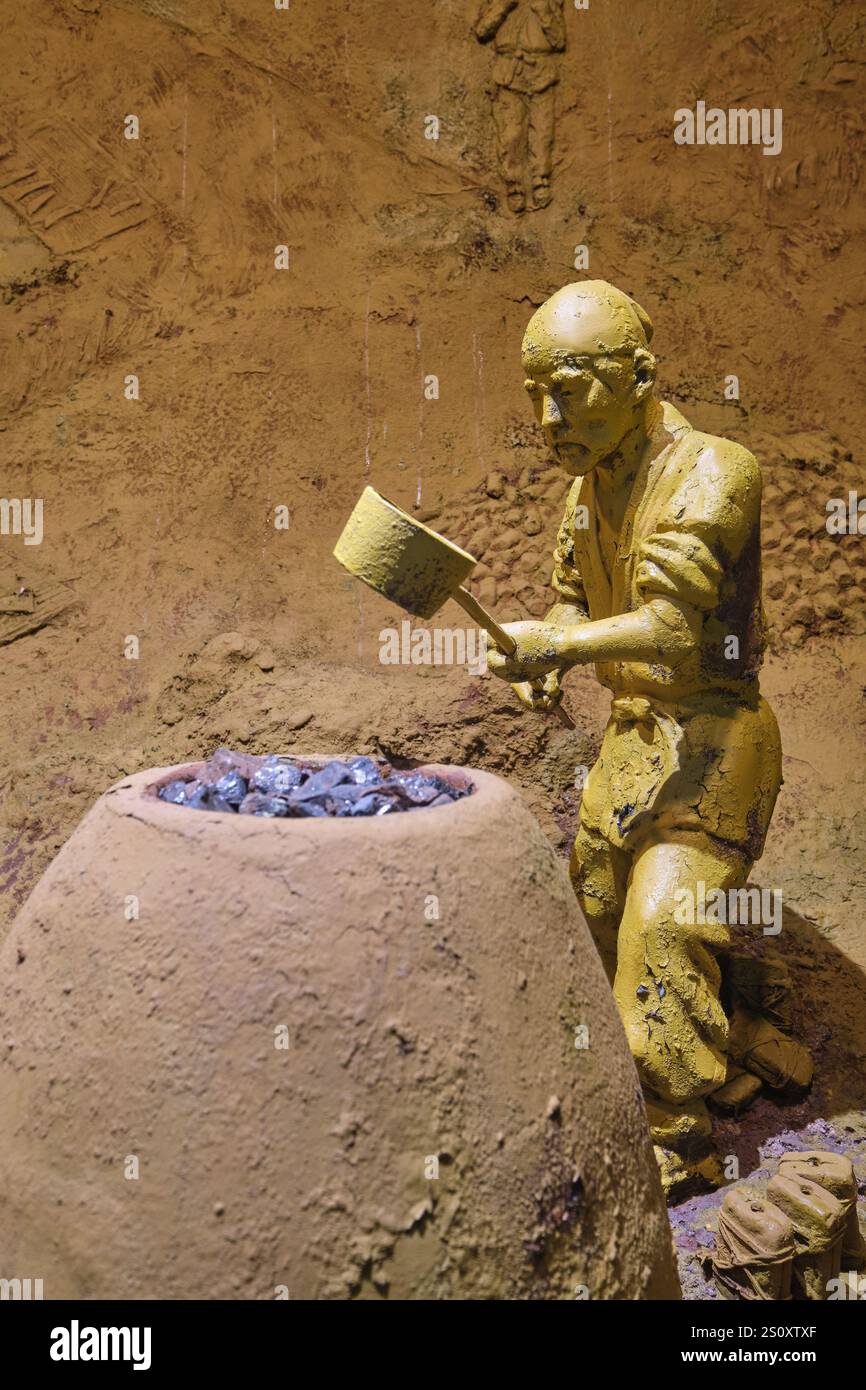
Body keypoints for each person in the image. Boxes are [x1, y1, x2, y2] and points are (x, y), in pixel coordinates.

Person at [487, 280, 811, 1181]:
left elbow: (672, 630)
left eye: (575, 386)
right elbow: (569, 595)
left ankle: (677, 1140)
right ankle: (718, 1034)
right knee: (593, 916)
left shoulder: (716, 468)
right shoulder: (587, 488)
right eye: (536, 394)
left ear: (640, 376)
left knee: (663, 922)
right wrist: (552, 661)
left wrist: (557, 642)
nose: (550, 415)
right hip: (633, 743)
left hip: (716, 744)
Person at [474, 0, 566, 213]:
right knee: (510, 134)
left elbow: (559, 40)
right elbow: (481, 31)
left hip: (540, 75)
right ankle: (513, 184)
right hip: (508, 74)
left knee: (542, 132)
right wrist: (503, 6)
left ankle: (540, 180)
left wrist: (543, 10)